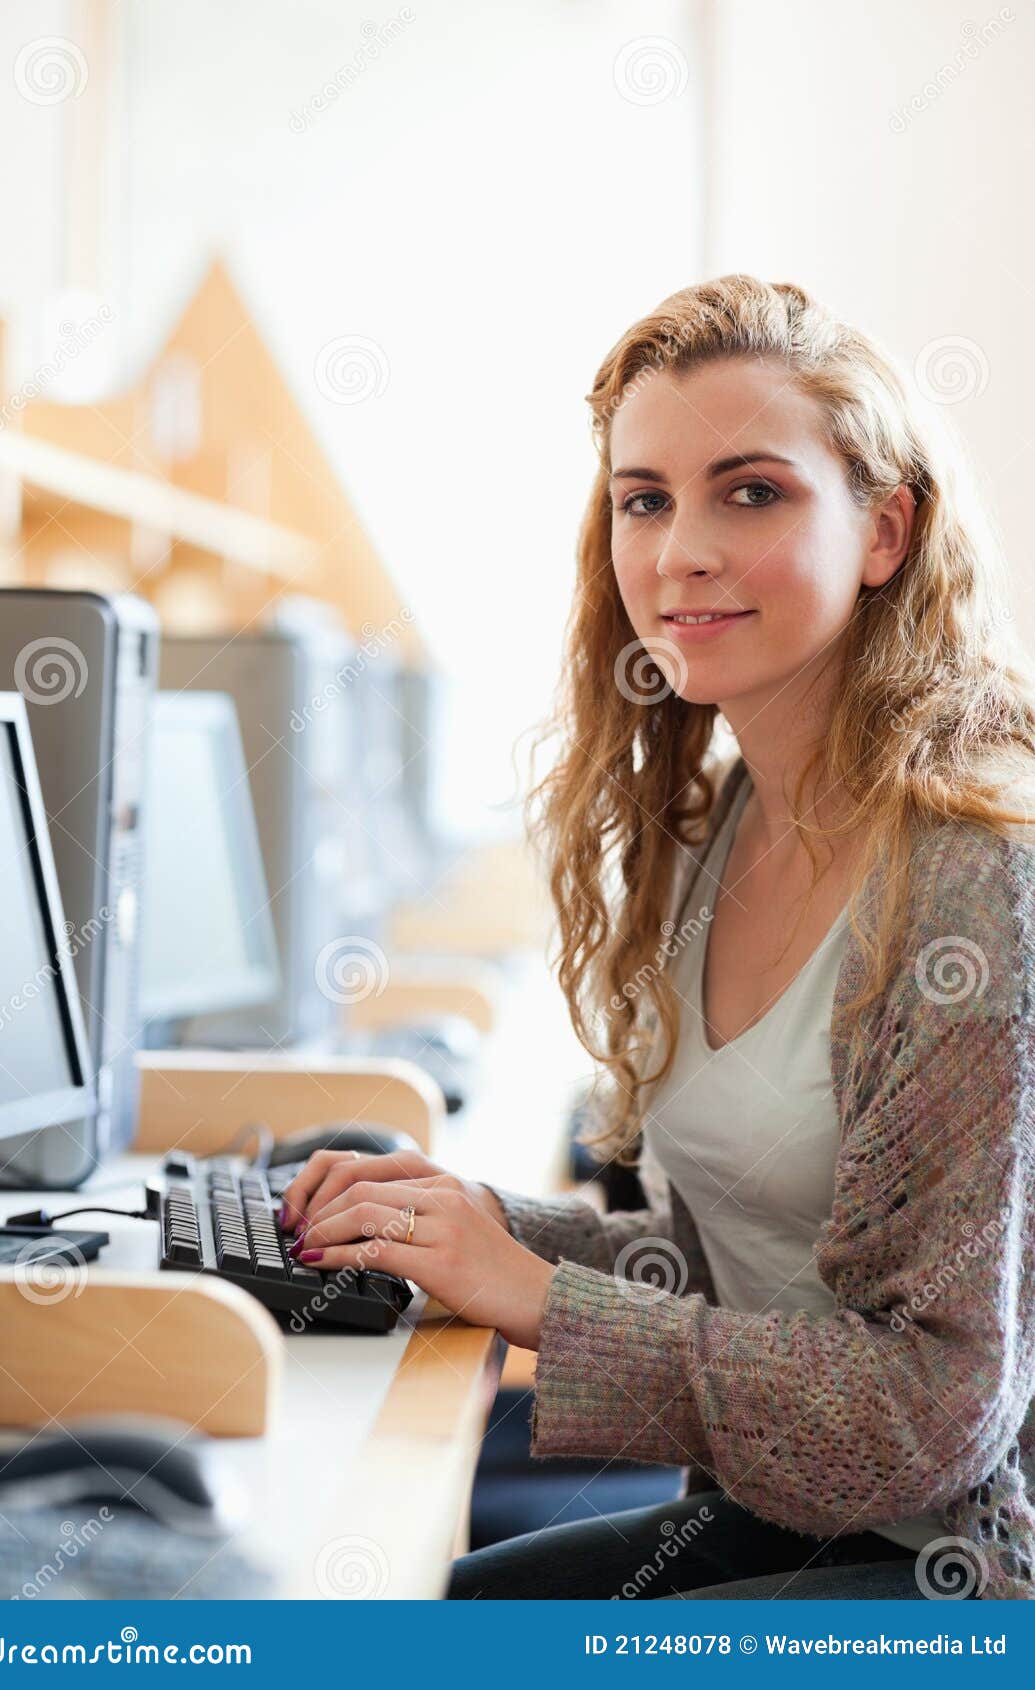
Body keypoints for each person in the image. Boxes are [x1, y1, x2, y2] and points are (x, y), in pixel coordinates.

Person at [279, 276, 1035, 1601]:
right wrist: (467, 1227)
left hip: (962, 1569)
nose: (681, 548)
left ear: (884, 529)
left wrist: (535, 1296)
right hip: (799, 1514)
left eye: (752, 492)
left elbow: (933, 1410)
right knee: (440, 1604)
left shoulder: (972, 877)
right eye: (646, 498)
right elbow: (751, 1259)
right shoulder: (724, 819)